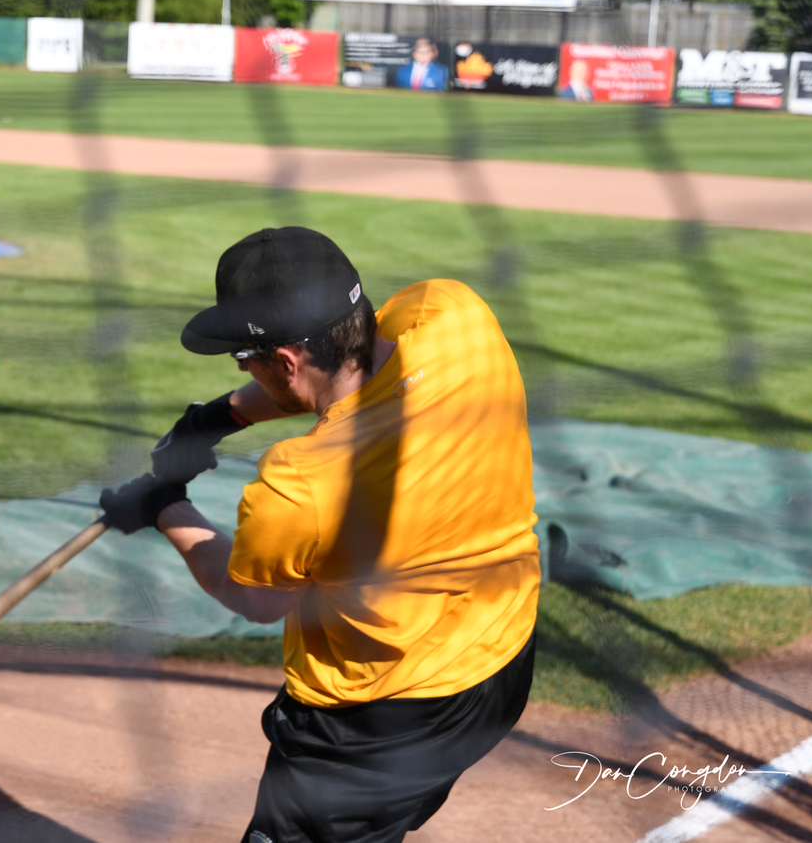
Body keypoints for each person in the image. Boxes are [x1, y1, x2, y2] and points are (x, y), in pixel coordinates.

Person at [100, 227, 540, 843]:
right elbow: (348, 367)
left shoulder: (299, 482)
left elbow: (255, 597)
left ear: (284, 361)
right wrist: (214, 419)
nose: (244, 368)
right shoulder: (455, 317)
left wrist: (163, 506)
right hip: (499, 662)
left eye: (244, 359)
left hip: (375, 723)